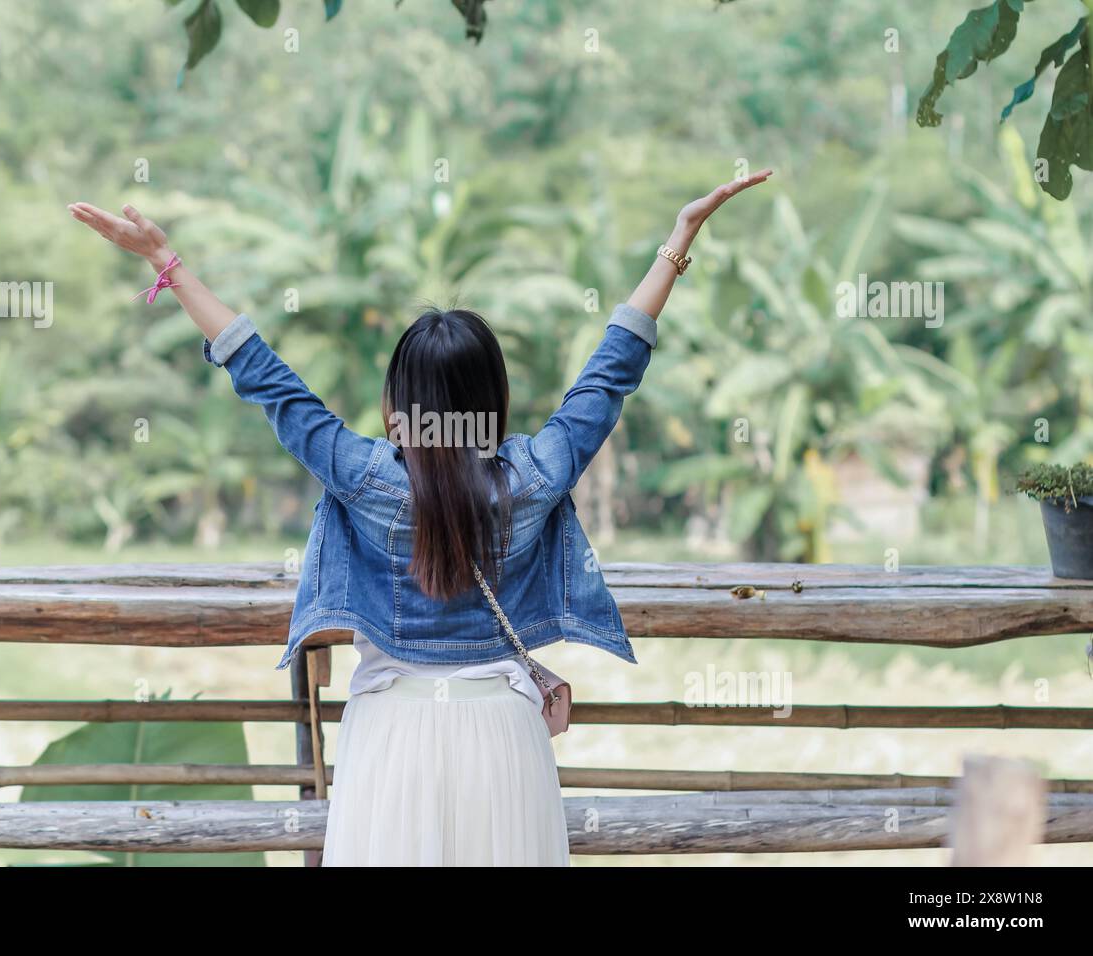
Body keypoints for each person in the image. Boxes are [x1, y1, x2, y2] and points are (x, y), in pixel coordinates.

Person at [68, 167, 772, 866]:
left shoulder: (358, 473)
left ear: (397, 402)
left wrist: (169, 264)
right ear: (492, 399)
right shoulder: (537, 474)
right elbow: (611, 370)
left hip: (391, 731)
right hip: (501, 730)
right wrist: (677, 241)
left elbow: (264, 376)